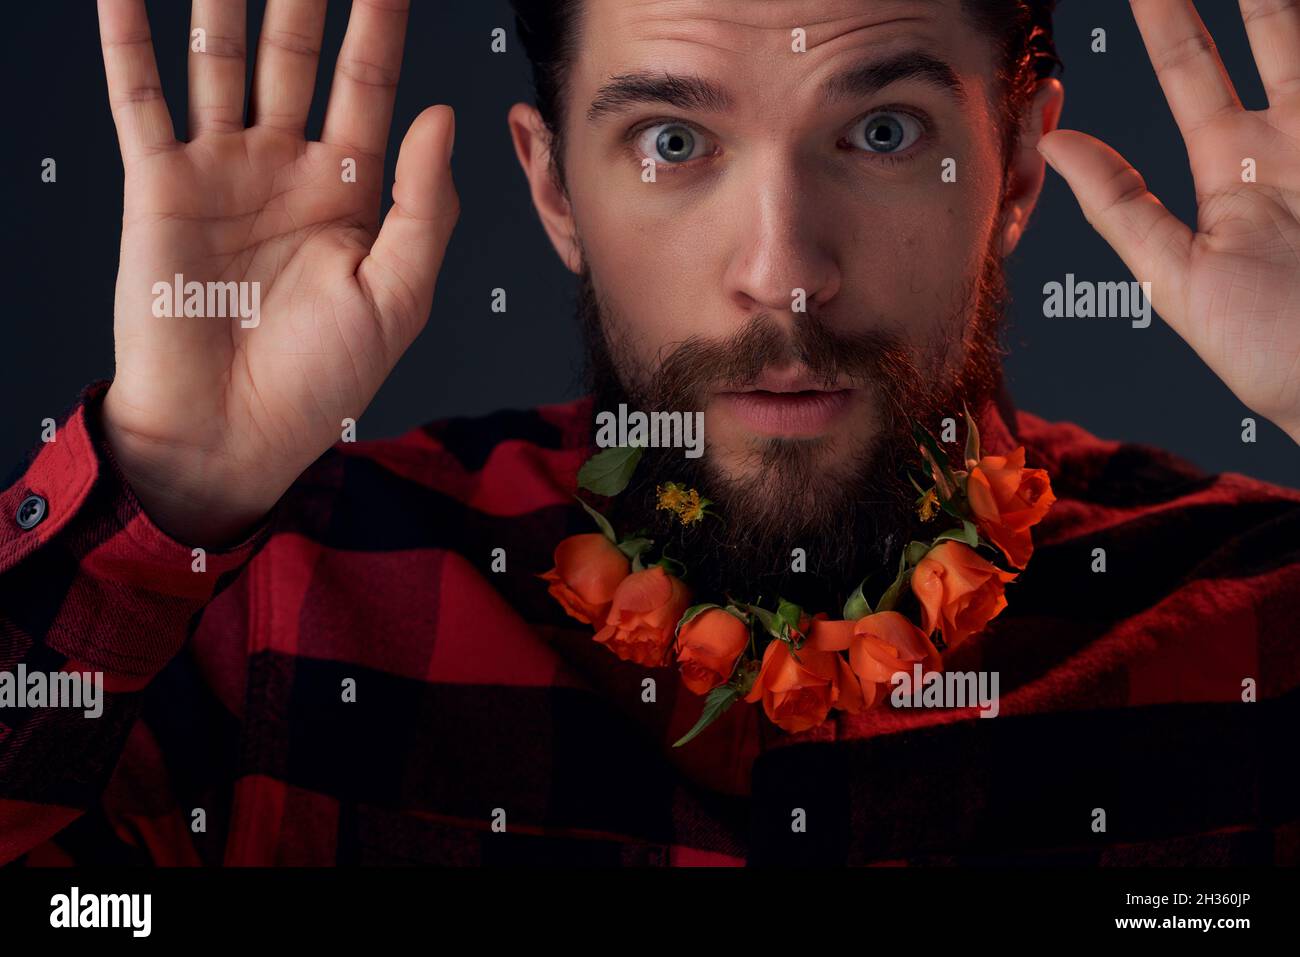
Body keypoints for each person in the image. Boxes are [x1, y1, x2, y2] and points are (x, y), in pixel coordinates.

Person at [1, 0, 1297, 866]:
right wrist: (164, 487)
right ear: (557, 189)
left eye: (883, 132)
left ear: (1012, 171)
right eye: (674, 140)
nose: (784, 272)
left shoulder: (1257, 613)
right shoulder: (276, 603)